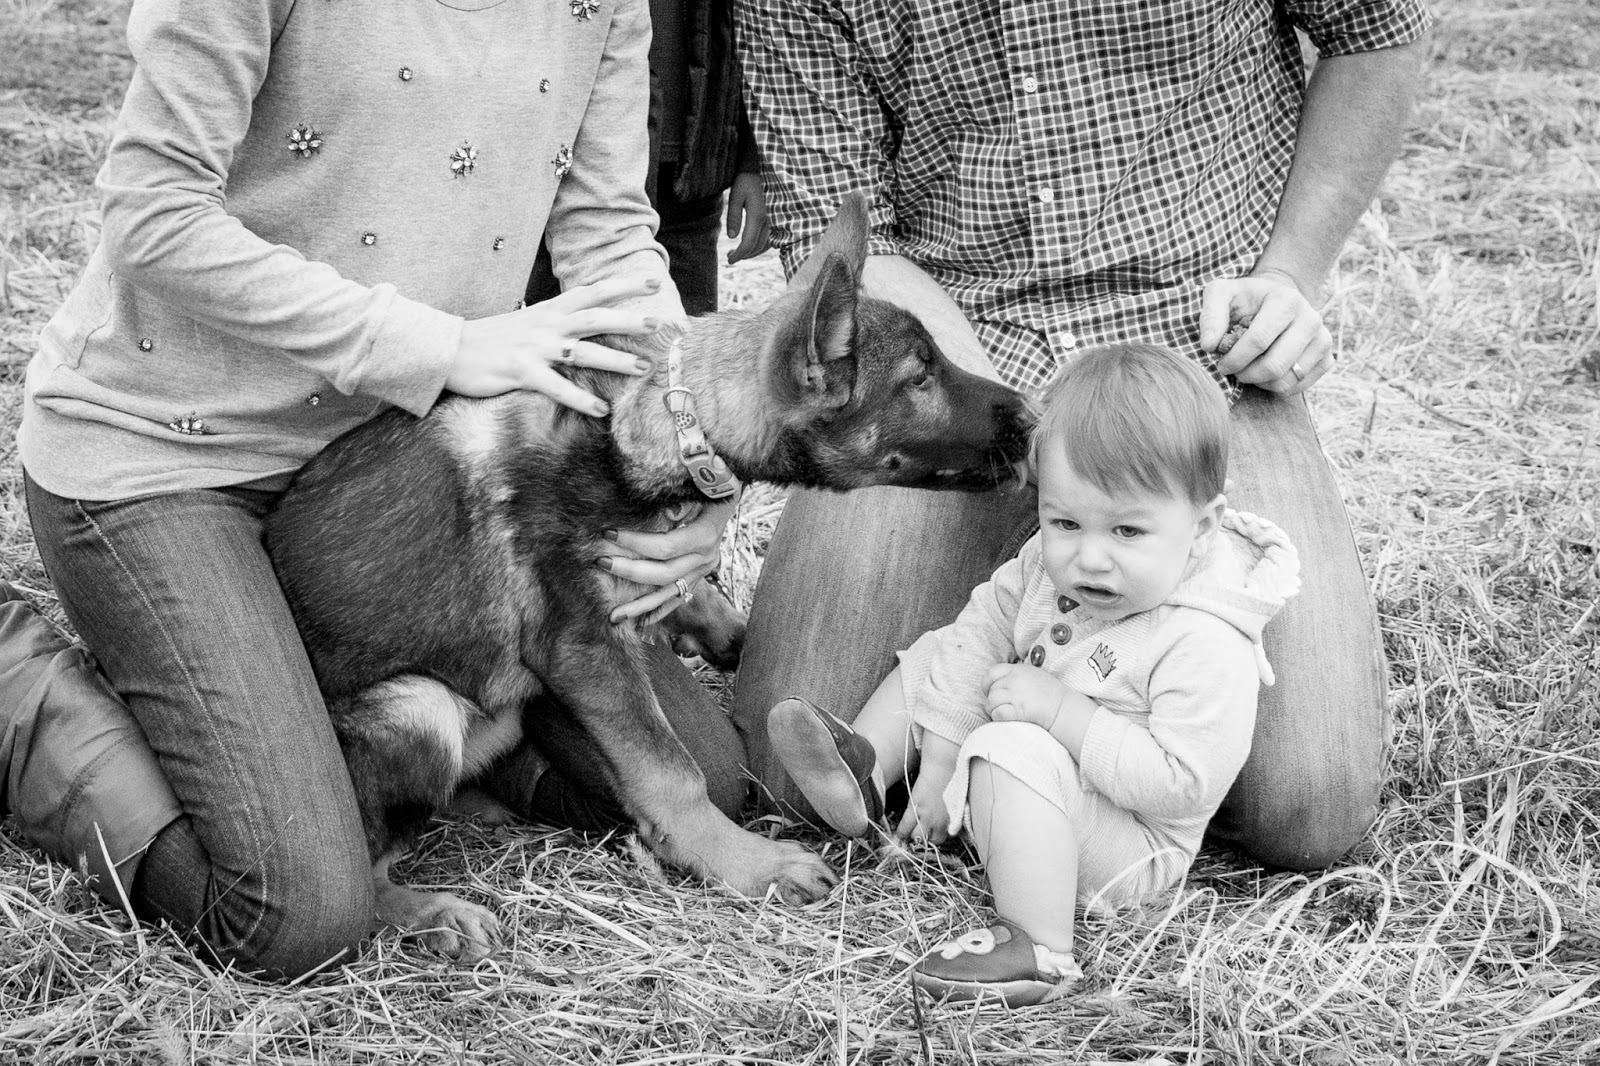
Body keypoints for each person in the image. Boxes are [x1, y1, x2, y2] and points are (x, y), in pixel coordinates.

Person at [0, 0, 749, 980]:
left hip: (404, 489)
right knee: (294, 916)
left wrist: (693, 466)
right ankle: (20, 689)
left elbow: (611, 237)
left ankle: (431, 747)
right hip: (176, 457)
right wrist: (443, 347)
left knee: (714, 784)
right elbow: (153, 213)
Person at [732, 0, 1433, 870]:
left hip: (1191, 359)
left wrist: (1289, 271)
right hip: (961, 357)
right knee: (786, 782)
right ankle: (1022, 735)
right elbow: (836, 238)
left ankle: (1060, 744)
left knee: (1308, 814)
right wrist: (996, 419)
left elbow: (1377, 29)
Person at [766, 342, 1301, 1006]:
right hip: (1023, 752)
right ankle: (868, 779)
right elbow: (981, 632)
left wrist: (1061, 716)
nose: (1091, 560)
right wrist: (940, 757)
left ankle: (1040, 948)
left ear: (1203, 526)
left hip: (1123, 841)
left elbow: (1181, 787)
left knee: (1011, 746)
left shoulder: (1204, 640)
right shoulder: (1048, 566)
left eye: (1128, 532)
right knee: (946, 651)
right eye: (1065, 522)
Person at [526, 0, 769, 315]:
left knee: (679, 351)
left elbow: (766, 18)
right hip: (556, 171)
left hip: (688, 174)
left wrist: (755, 158)